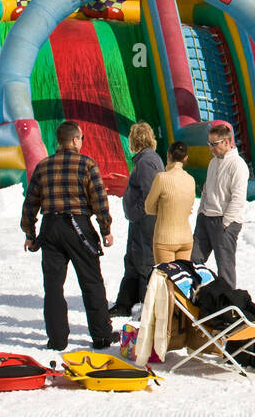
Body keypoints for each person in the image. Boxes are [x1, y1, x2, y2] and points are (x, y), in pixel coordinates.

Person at [20, 120, 116, 350]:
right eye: (81, 137)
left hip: (50, 226)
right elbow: (99, 200)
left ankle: (57, 339)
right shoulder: (86, 165)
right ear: (74, 140)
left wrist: (30, 233)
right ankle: (101, 336)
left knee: (53, 286)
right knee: (91, 281)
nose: (82, 141)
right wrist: (105, 229)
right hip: (78, 225)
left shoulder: (43, 167)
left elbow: (30, 202)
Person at [109, 122, 163, 317]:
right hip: (140, 219)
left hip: (145, 220)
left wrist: (136, 212)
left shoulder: (147, 161)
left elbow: (150, 194)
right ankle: (125, 301)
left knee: (143, 260)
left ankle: (146, 302)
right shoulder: (144, 159)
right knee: (132, 258)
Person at [191, 123, 248, 288]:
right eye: (209, 143)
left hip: (225, 221)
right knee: (194, 259)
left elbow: (238, 198)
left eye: (214, 144)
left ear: (226, 142)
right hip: (206, 217)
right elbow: (207, 191)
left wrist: (226, 222)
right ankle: (195, 295)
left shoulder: (237, 165)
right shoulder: (213, 163)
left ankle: (228, 304)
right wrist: (201, 212)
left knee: (225, 267)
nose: (211, 148)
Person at [144, 140, 195, 264]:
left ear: (168, 155)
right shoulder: (190, 179)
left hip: (165, 238)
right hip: (186, 238)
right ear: (186, 158)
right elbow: (189, 207)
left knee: (167, 280)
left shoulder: (161, 178)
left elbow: (148, 207)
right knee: (183, 281)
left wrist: (163, 209)